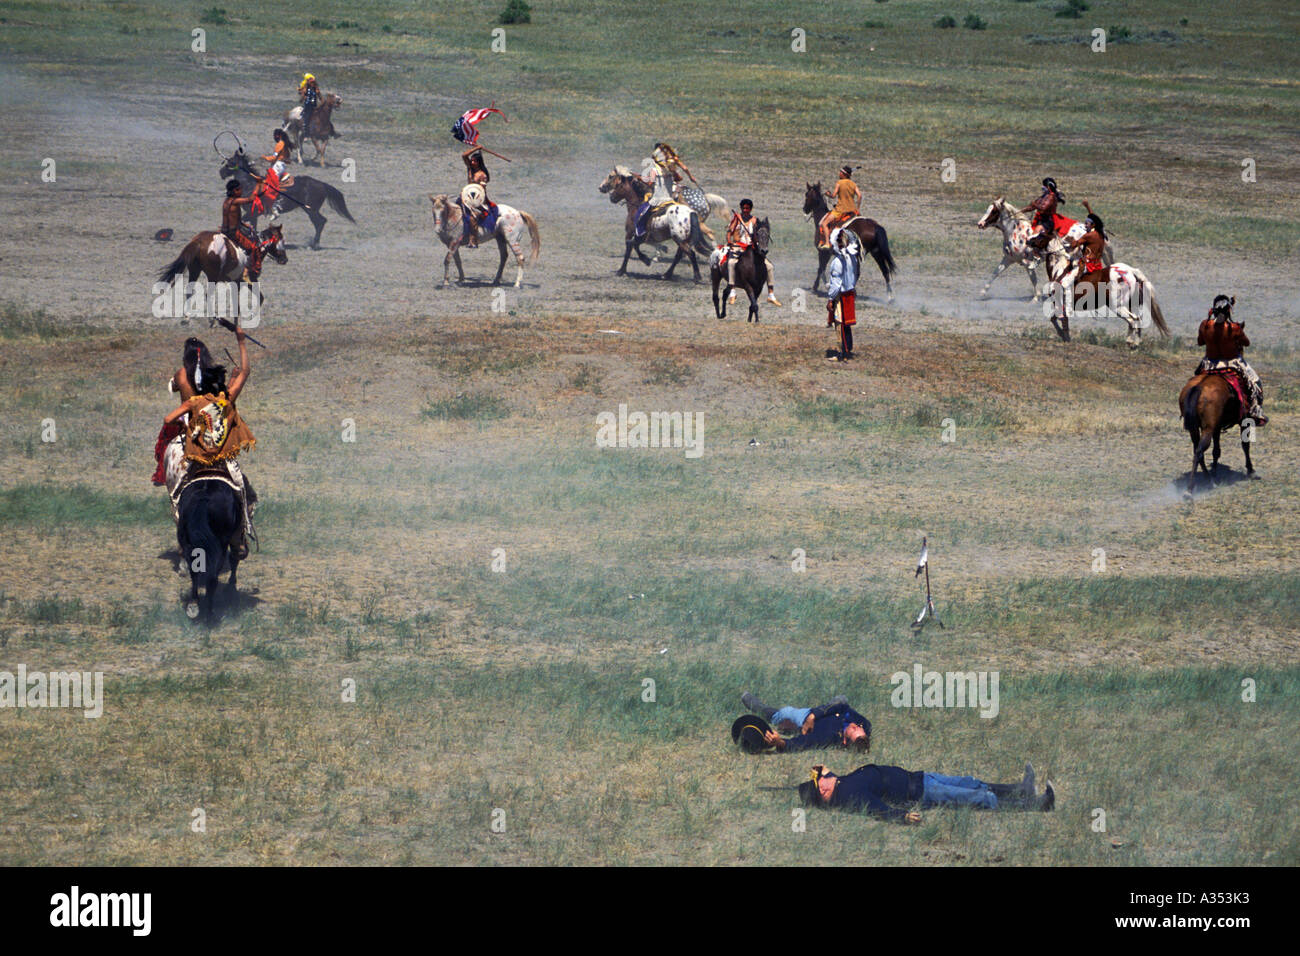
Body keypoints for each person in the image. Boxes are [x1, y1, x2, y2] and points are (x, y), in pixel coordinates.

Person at [162, 322, 258, 557]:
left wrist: (185, 425)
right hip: (221, 462)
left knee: (178, 494)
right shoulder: (225, 400)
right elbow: (245, 372)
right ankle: (239, 539)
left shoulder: (193, 402)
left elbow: (167, 420)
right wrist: (242, 340)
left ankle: (183, 531)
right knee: (244, 492)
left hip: (194, 459)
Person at [797, 762, 1054, 822]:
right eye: (821, 790)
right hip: (921, 793)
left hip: (921, 778)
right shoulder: (849, 796)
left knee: (971, 782)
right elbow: (876, 809)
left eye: (821, 782)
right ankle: (1036, 805)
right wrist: (902, 816)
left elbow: (826, 773)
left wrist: (820, 773)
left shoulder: (841, 782)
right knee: (977, 798)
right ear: (826, 800)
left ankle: (1021, 789)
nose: (824, 784)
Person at [1196, 295, 1266, 425]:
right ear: (1229, 310)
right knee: (1255, 383)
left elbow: (1200, 342)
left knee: (1196, 377)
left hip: (1210, 364)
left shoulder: (1205, 325)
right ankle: (1255, 412)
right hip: (1233, 363)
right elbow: (1247, 343)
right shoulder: (1234, 328)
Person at [723, 199, 782, 307]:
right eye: (744, 208)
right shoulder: (737, 218)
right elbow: (729, 232)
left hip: (751, 247)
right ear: (741, 208)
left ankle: (771, 294)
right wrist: (729, 241)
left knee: (769, 266)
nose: (745, 210)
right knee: (731, 263)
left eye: (747, 208)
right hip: (738, 246)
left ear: (750, 209)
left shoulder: (754, 220)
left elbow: (758, 234)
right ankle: (732, 290)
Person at [1056, 200, 1106, 322]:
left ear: (1092, 225)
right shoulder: (1100, 233)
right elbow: (1094, 217)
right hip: (1098, 265)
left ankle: (1068, 310)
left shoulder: (1089, 236)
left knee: (1065, 283)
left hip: (1086, 265)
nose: (1085, 225)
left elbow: (1074, 245)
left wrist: (1069, 239)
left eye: (1087, 223)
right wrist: (1088, 207)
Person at [825, 227, 859, 360]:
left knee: (840, 323)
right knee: (847, 324)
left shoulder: (837, 262)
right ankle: (847, 349)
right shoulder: (852, 258)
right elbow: (855, 275)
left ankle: (842, 353)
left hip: (841, 295)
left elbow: (836, 284)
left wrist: (830, 299)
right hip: (850, 292)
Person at [221, 180, 262, 282]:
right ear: (235, 191)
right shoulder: (236, 201)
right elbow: (251, 199)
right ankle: (247, 273)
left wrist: (245, 225)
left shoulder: (226, 201)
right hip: (233, 233)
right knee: (254, 248)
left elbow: (235, 218)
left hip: (223, 231)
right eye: (239, 189)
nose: (241, 191)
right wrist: (258, 184)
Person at [818, 165, 860, 249]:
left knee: (823, 223)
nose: (839, 173)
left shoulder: (839, 183)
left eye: (841, 172)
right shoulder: (853, 184)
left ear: (844, 174)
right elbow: (860, 195)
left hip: (840, 210)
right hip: (852, 210)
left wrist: (827, 194)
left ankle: (827, 243)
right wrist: (857, 208)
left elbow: (833, 196)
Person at [460, 147, 494, 248]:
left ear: (479, 162)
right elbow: (464, 155)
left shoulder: (482, 175)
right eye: (472, 160)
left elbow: (481, 190)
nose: (472, 161)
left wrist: (474, 199)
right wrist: (477, 148)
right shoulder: (470, 168)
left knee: (472, 217)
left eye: (474, 160)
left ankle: (473, 240)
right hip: (466, 197)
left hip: (478, 199)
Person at [1022, 176, 1066, 247]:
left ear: (1048, 187)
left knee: (1034, 237)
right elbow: (1032, 207)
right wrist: (1021, 211)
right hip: (1040, 221)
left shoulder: (1051, 197)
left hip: (1047, 222)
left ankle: (1037, 254)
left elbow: (1043, 209)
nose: (1042, 187)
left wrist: (1035, 205)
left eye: (1044, 185)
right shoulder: (1044, 196)